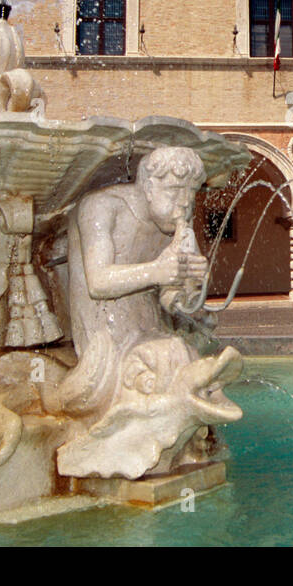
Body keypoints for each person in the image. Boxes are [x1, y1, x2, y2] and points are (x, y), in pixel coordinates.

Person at [55, 145, 210, 419]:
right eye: (174, 190)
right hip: (103, 334)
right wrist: (159, 271)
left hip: (148, 325)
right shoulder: (102, 207)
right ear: (148, 188)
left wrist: (190, 284)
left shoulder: (174, 223)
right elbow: (99, 282)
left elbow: (174, 301)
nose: (184, 203)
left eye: (191, 193)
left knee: (190, 356)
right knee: (168, 361)